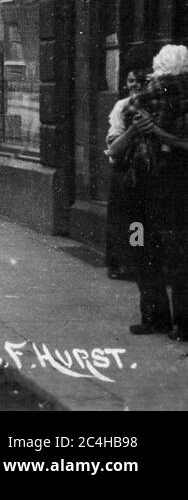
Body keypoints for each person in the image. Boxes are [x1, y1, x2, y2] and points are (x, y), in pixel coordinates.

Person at [113, 43, 188, 338]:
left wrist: (152, 130)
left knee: (144, 248)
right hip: (181, 184)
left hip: (145, 185)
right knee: (182, 253)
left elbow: (121, 138)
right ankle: (184, 325)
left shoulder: (143, 97)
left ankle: (154, 318)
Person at [105, 48, 153, 281]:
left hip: (145, 172)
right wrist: (134, 130)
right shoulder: (122, 107)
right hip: (124, 172)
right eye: (130, 81)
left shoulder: (154, 103)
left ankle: (139, 261)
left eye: (139, 81)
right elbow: (113, 148)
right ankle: (126, 263)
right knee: (127, 221)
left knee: (140, 221)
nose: (135, 85)